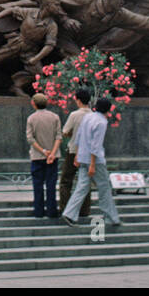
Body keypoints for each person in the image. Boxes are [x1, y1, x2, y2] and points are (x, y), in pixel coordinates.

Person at [61, 96, 120, 228]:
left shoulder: (88, 117)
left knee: (82, 186)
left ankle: (69, 213)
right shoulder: (102, 122)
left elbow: (79, 136)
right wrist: (92, 164)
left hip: (82, 156)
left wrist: (77, 155)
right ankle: (111, 217)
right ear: (108, 109)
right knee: (104, 188)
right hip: (95, 161)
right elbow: (96, 145)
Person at [58, 88, 93, 218]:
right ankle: (85, 210)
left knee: (66, 180)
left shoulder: (75, 115)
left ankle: (65, 209)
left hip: (73, 151)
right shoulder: (94, 115)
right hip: (89, 152)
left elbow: (65, 131)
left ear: (78, 100)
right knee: (85, 181)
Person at [26, 93, 62, 218]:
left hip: (37, 156)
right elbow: (59, 137)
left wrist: (43, 151)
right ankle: (52, 211)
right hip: (53, 156)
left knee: (38, 184)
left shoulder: (31, 118)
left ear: (34, 104)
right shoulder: (55, 117)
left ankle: (39, 211)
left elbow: (30, 139)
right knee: (51, 184)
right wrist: (51, 153)